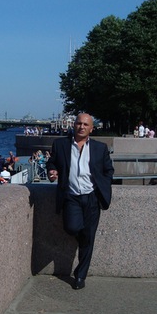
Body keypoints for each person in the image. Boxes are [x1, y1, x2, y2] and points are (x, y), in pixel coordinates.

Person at [46, 113, 114, 290]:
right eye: (78, 123)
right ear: (73, 125)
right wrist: (52, 172)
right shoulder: (60, 144)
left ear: (91, 129)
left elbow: (108, 170)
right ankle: (83, 238)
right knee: (72, 228)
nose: (81, 127)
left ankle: (80, 276)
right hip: (71, 196)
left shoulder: (100, 148)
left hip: (92, 197)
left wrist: (102, 186)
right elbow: (52, 163)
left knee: (89, 237)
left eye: (85, 124)